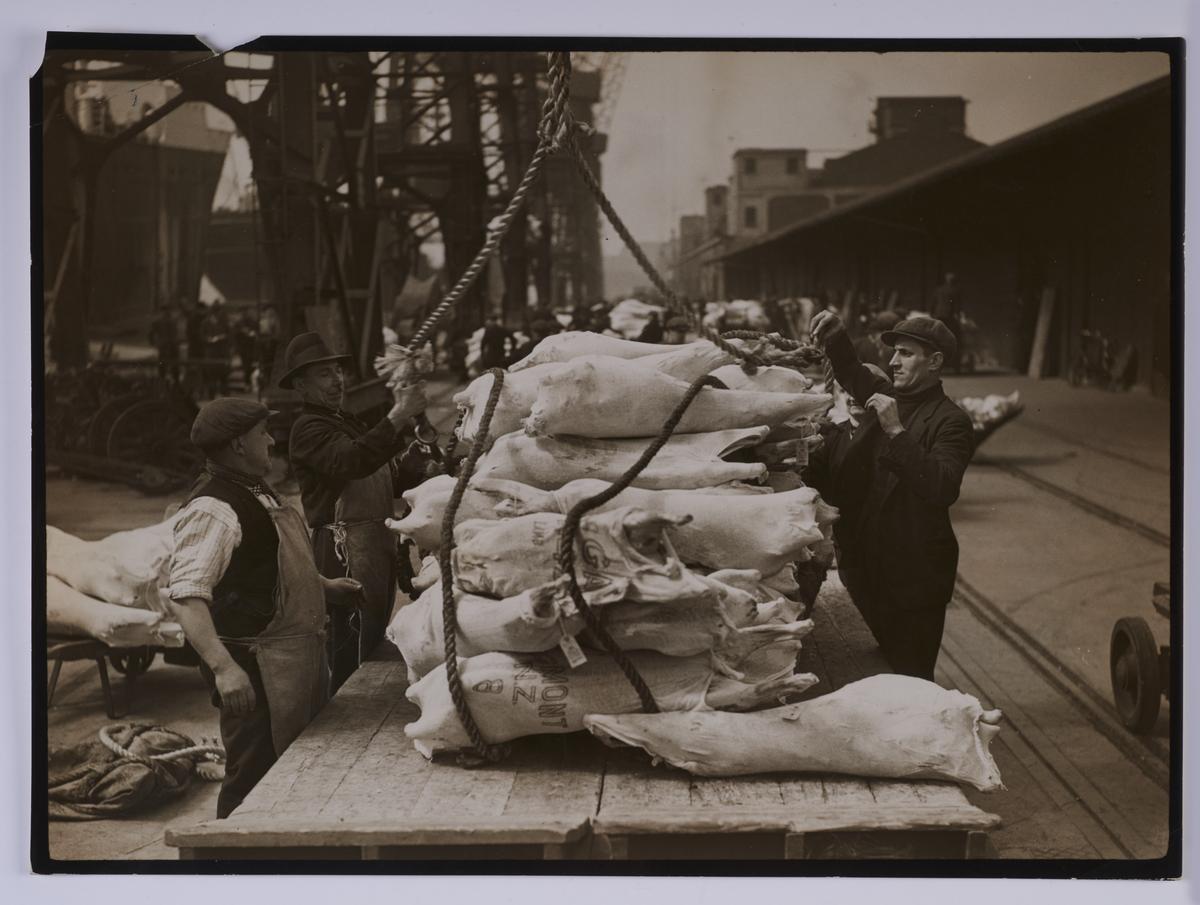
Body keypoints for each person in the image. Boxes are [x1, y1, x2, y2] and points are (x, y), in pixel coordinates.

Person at [165, 398, 362, 818]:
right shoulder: (214, 507)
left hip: (291, 658)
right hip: (254, 669)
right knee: (252, 781)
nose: (272, 441)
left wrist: (322, 587)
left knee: (291, 772)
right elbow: (186, 595)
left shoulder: (253, 488)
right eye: (262, 434)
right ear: (239, 444)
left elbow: (262, 564)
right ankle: (230, 867)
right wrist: (223, 668)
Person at [804, 312, 974, 681]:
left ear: (935, 362)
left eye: (906, 354)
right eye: (894, 353)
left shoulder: (950, 420)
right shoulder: (886, 397)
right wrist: (836, 335)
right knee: (873, 677)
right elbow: (852, 372)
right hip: (868, 575)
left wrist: (896, 431)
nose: (893, 361)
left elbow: (942, 486)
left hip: (913, 583)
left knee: (910, 680)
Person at [282, 333, 431, 694]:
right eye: (323, 375)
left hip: (373, 548)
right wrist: (397, 414)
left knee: (372, 637)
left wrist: (420, 460)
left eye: (337, 371)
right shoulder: (308, 429)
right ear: (301, 385)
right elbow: (351, 461)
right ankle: (338, 726)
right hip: (342, 555)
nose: (337, 380)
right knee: (346, 652)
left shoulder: (343, 421)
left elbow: (386, 478)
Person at [931, 273, 964, 373]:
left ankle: (937, 364)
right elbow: (957, 307)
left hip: (939, 317)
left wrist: (932, 316)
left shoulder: (938, 290)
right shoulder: (955, 290)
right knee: (955, 339)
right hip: (949, 318)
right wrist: (959, 319)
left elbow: (933, 304)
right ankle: (956, 366)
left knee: (937, 341)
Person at [202, 302, 232, 397]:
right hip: (211, 351)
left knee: (223, 374)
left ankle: (225, 393)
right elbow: (202, 335)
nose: (217, 313)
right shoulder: (205, 322)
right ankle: (212, 393)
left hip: (222, 351)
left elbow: (230, 334)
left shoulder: (224, 322)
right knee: (212, 374)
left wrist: (223, 337)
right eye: (215, 311)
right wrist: (209, 339)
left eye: (218, 311)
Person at [148, 304, 180, 382]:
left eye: (168, 310)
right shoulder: (159, 322)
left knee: (172, 364)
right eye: (165, 310)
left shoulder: (172, 321)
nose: (167, 312)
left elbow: (151, 333)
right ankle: (165, 379)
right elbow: (151, 333)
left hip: (171, 345)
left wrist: (153, 342)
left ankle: (173, 379)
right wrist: (153, 342)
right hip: (165, 345)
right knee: (164, 363)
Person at [257, 305, 281, 386]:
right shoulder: (263, 320)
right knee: (265, 362)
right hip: (264, 343)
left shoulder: (274, 320)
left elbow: (276, 333)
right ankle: (266, 380)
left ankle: (268, 380)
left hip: (271, 342)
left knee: (269, 362)